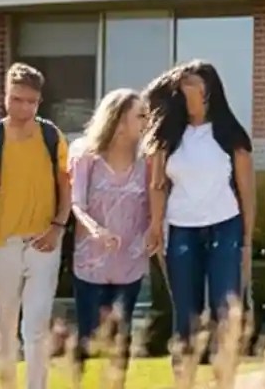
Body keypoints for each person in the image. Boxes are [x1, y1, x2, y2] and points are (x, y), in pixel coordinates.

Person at [143, 60, 256, 360]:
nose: (184, 89)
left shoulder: (231, 135)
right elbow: (157, 187)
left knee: (225, 310)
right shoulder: (166, 137)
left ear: (207, 91)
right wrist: (155, 225)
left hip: (225, 226)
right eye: (182, 85)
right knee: (186, 315)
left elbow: (246, 191)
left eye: (192, 84)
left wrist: (246, 239)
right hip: (181, 229)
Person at [0, 62, 71, 389]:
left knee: (36, 325)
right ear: (5, 97)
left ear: (39, 101)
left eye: (31, 101)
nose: (24, 108)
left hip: (43, 241)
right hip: (2, 243)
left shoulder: (51, 135)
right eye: (17, 100)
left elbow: (65, 186)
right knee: (2, 329)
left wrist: (58, 226)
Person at [69, 89, 151, 379]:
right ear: (118, 122)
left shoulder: (148, 160)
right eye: (140, 115)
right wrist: (96, 231)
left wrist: (155, 234)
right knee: (88, 336)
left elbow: (154, 207)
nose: (147, 120)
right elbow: (76, 203)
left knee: (120, 338)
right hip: (90, 263)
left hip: (130, 263)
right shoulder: (84, 155)